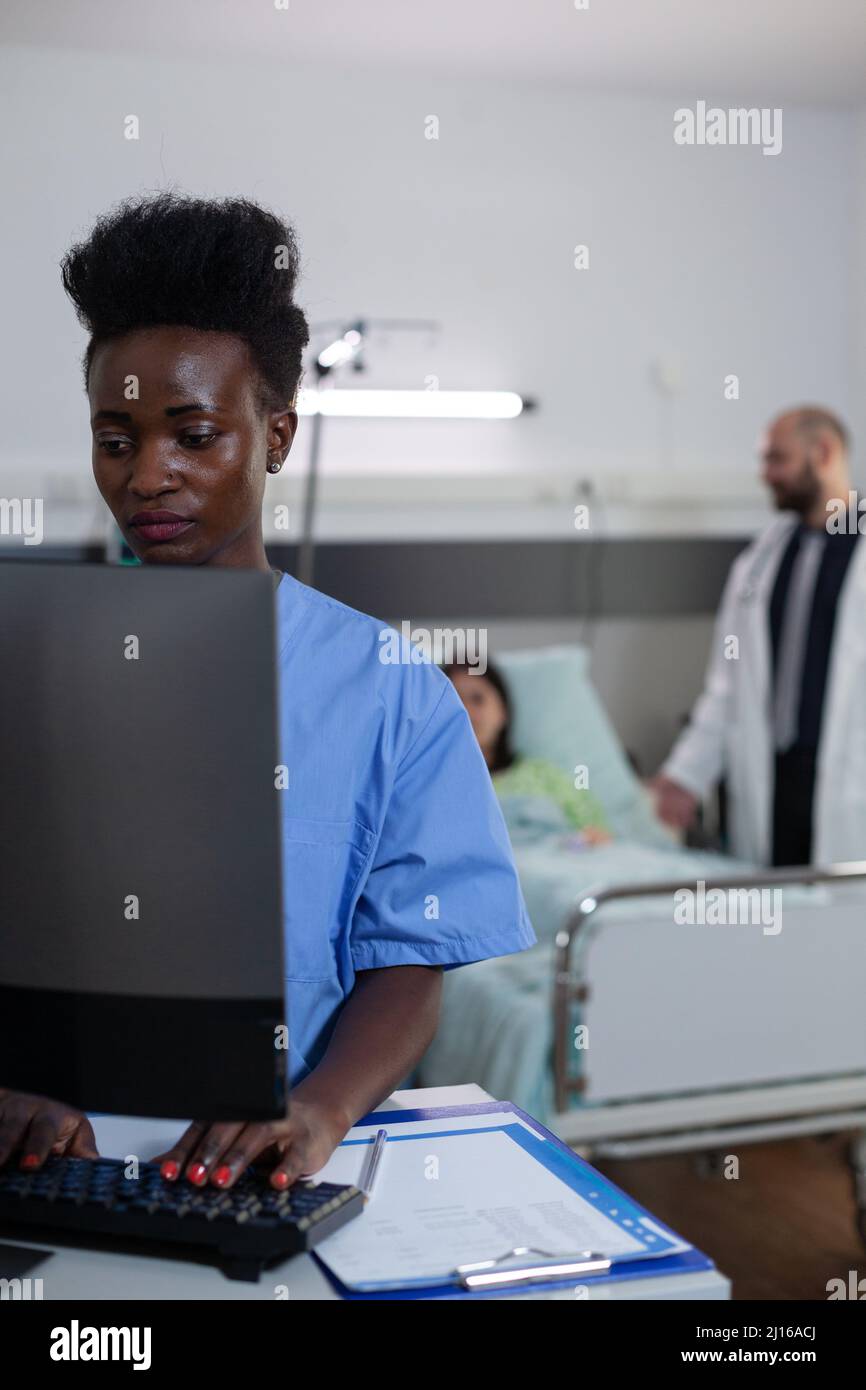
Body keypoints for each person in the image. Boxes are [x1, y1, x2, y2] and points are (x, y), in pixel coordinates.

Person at [0, 194, 535, 1188]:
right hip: (35, 1159)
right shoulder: (25, 665)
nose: (148, 475)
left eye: (193, 435)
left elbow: (410, 955)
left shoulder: (390, 691)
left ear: (275, 435)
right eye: (115, 438)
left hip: (259, 1165)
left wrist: (321, 1104)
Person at [650, 407, 866, 866]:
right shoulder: (760, 562)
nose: (765, 475)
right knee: (781, 922)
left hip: (851, 779)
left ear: (823, 453)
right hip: (775, 777)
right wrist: (686, 774)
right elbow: (727, 686)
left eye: (777, 459)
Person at [445, 660, 611, 847]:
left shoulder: (543, 775)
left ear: (503, 712)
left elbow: (597, 834)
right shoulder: (437, 783)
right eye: (455, 701)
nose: (466, 711)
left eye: (477, 699)